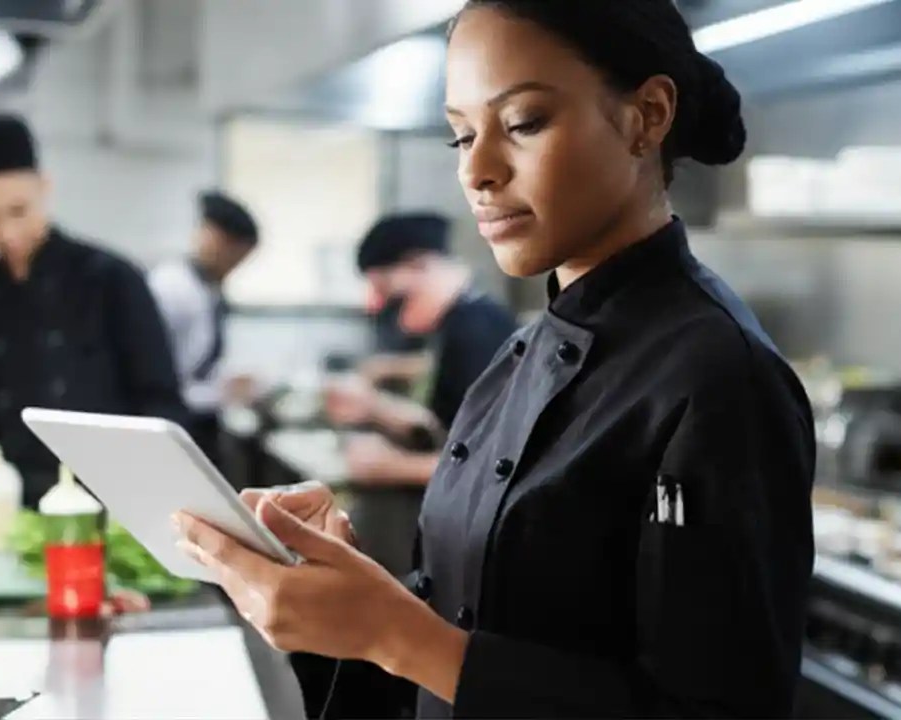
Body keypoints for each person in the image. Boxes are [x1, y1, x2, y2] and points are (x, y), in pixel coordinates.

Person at [175, 1, 815, 718]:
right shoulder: (515, 359)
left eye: (523, 123)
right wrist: (342, 592)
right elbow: (460, 635)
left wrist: (396, 632)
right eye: (460, 137)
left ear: (646, 116)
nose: (476, 172)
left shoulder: (719, 378)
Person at [0, 113, 185, 510]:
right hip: (11, 515)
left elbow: (163, 407)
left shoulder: (113, 281)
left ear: (44, 187)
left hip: (111, 507)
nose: (5, 233)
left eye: (18, 211)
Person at [325, 213, 517, 488]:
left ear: (420, 266)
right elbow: (450, 426)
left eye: (387, 291)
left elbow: (492, 461)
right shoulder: (458, 322)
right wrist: (377, 408)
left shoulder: (477, 329)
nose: (389, 310)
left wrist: (393, 466)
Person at [149, 190, 260, 468]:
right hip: (177, 422)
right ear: (216, 240)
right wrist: (222, 393)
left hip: (200, 418)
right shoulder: (172, 288)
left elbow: (199, 363)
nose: (234, 268)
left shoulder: (206, 288)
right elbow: (162, 381)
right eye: (235, 258)